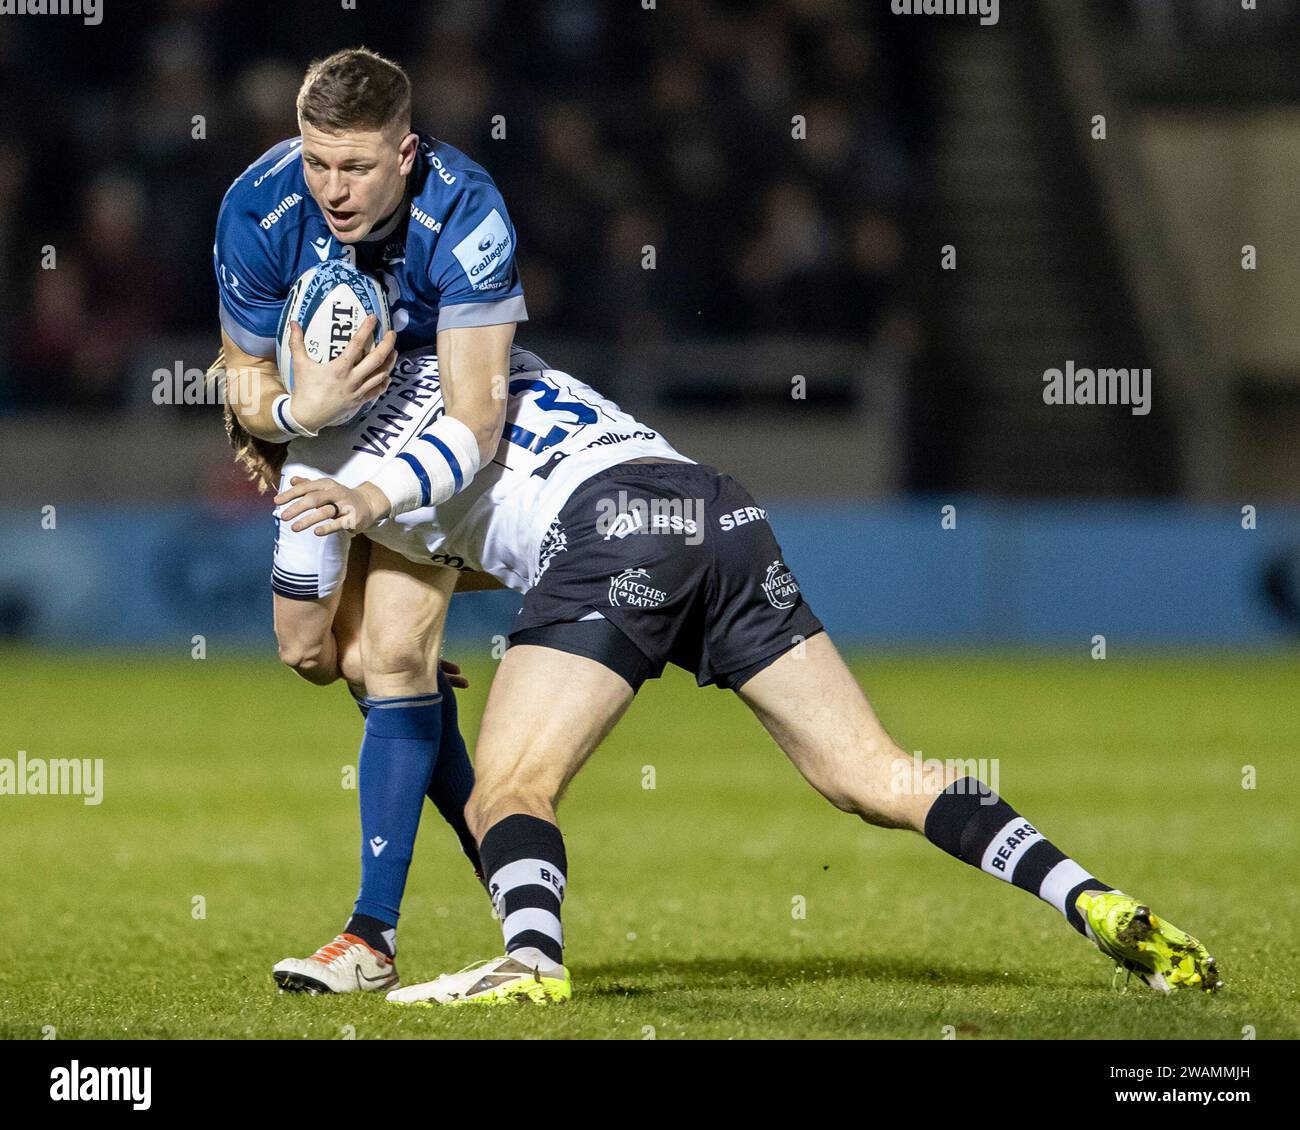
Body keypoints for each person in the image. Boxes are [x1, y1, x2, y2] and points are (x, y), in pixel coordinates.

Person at [274, 347, 1223, 1005]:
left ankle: (529, 961)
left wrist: (369, 642)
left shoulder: (315, 459)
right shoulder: (470, 359)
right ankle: (1086, 895)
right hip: (714, 507)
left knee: (511, 789)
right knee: (874, 774)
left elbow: (307, 650)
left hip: (608, 531)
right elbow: (509, 521)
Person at [213, 45, 528, 991]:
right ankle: (500, 852)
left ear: (405, 152)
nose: (333, 189)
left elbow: (479, 414)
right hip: (318, 420)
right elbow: (239, 373)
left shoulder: (465, 211)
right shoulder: (260, 205)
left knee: (392, 650)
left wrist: (384, 501)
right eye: (318, 162)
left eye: (356, 166)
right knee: (315, 653)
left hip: (431, 408)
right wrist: (293, 415)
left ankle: (371, 938)